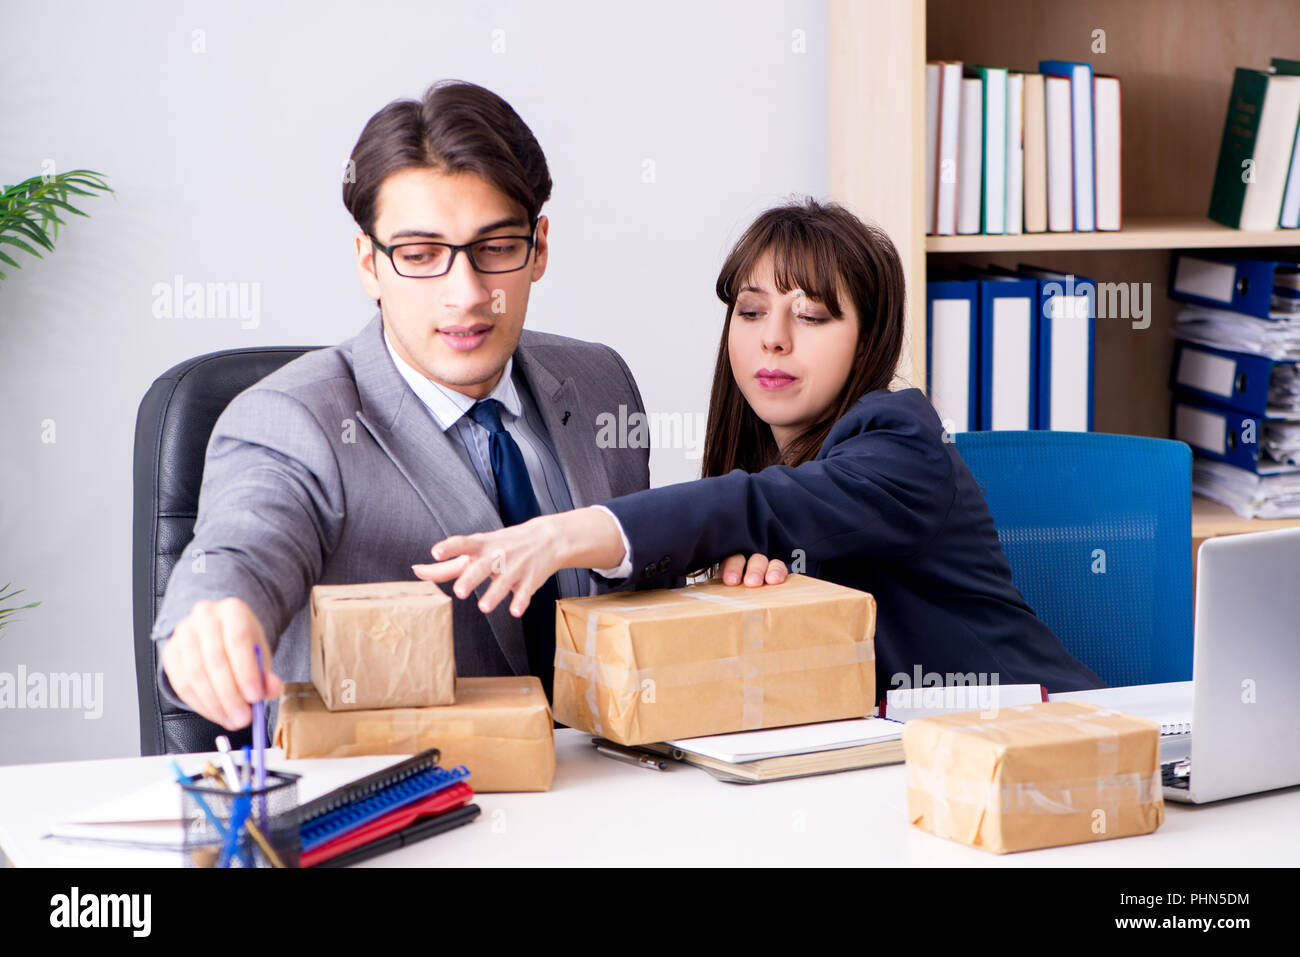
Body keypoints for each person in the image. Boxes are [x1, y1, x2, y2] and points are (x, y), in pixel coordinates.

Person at [153, 79, 784, 735]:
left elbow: (629, 591)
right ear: (369, 263)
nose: (467, 294)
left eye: (495, 249)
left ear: (538, 247)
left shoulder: (600, 382)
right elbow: (246, 545)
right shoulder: (294, 420)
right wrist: (215, 612)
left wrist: (716, 577)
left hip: (615, 791)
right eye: (421, 255)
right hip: (418, 813)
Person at [414, 198, 1106, 695]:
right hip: (898, 775)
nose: (772, 337)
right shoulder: (762, 466)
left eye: (810, 314)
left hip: (1054, 742)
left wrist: (570, 533)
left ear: (867, 341)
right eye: (750, 312)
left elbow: (763, 505)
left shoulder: (902, 443)